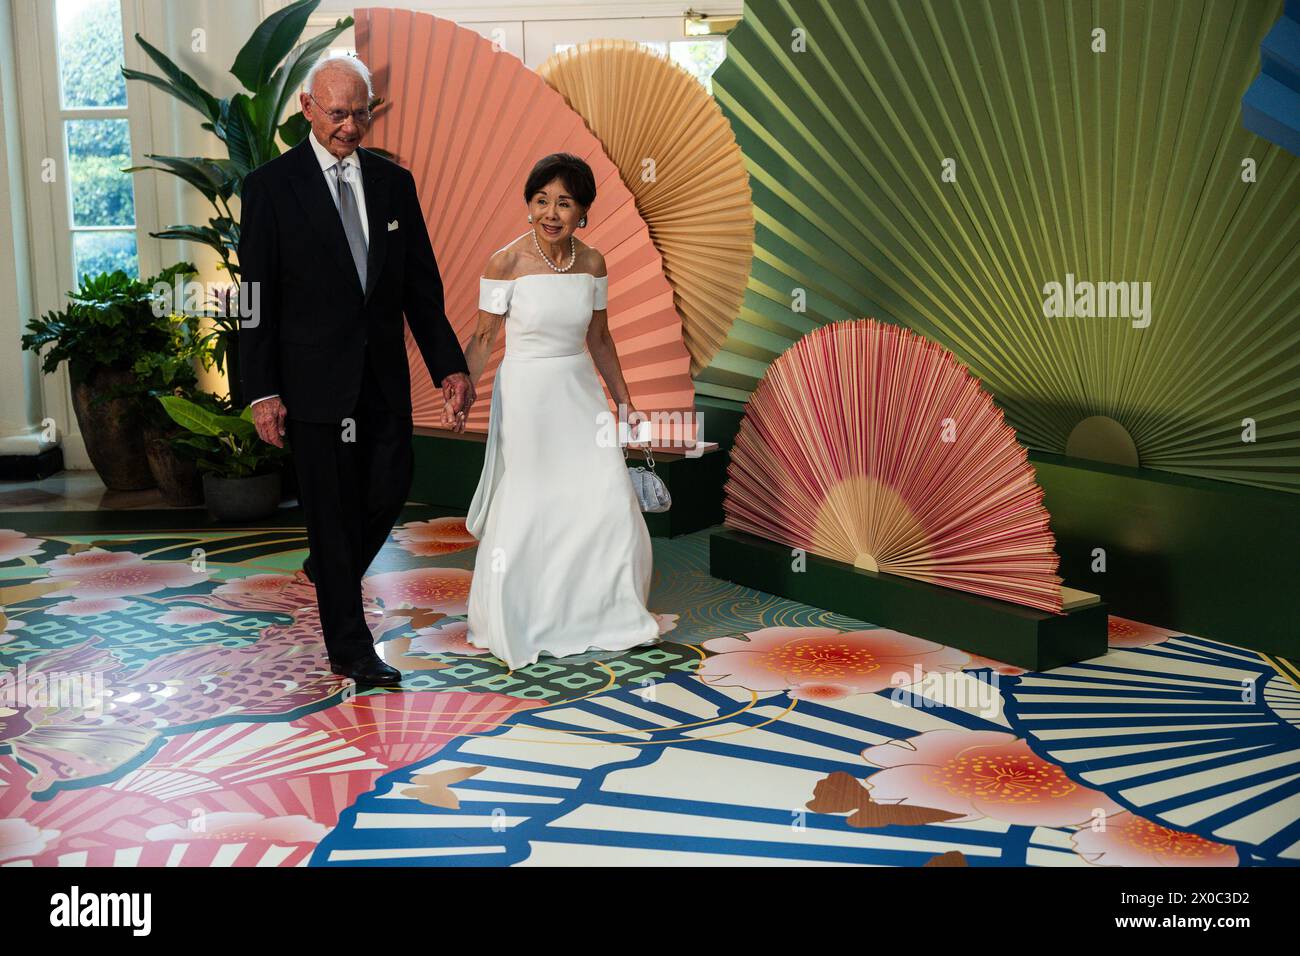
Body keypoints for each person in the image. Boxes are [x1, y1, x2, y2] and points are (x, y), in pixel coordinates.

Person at [239, 53, 475, 687]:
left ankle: (331, 566)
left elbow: (421, 291)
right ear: (307, 109)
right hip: (310, 387)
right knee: (330, 511)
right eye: (337, 113)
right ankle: (350, 646)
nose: (349, 126)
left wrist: (448, 367)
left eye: (360, 113)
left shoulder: (394, 185)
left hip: (381, 380)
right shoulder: (268, 188)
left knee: (390, 487)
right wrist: (262, 390)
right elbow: (254, 297)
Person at [451, 153, 662, 670]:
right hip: (526, 393)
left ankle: (603, 613)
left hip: (579, 391)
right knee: (533, 499)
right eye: (541, 200)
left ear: (583, 211)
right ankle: (520, 615)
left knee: (606, 495)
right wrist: (462, 390)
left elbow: (601, 338)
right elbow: (483, 338)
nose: (551, 212)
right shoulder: (505, 263)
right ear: (528, 206)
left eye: (564, 203)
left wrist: (625, 403)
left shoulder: (593, 263)